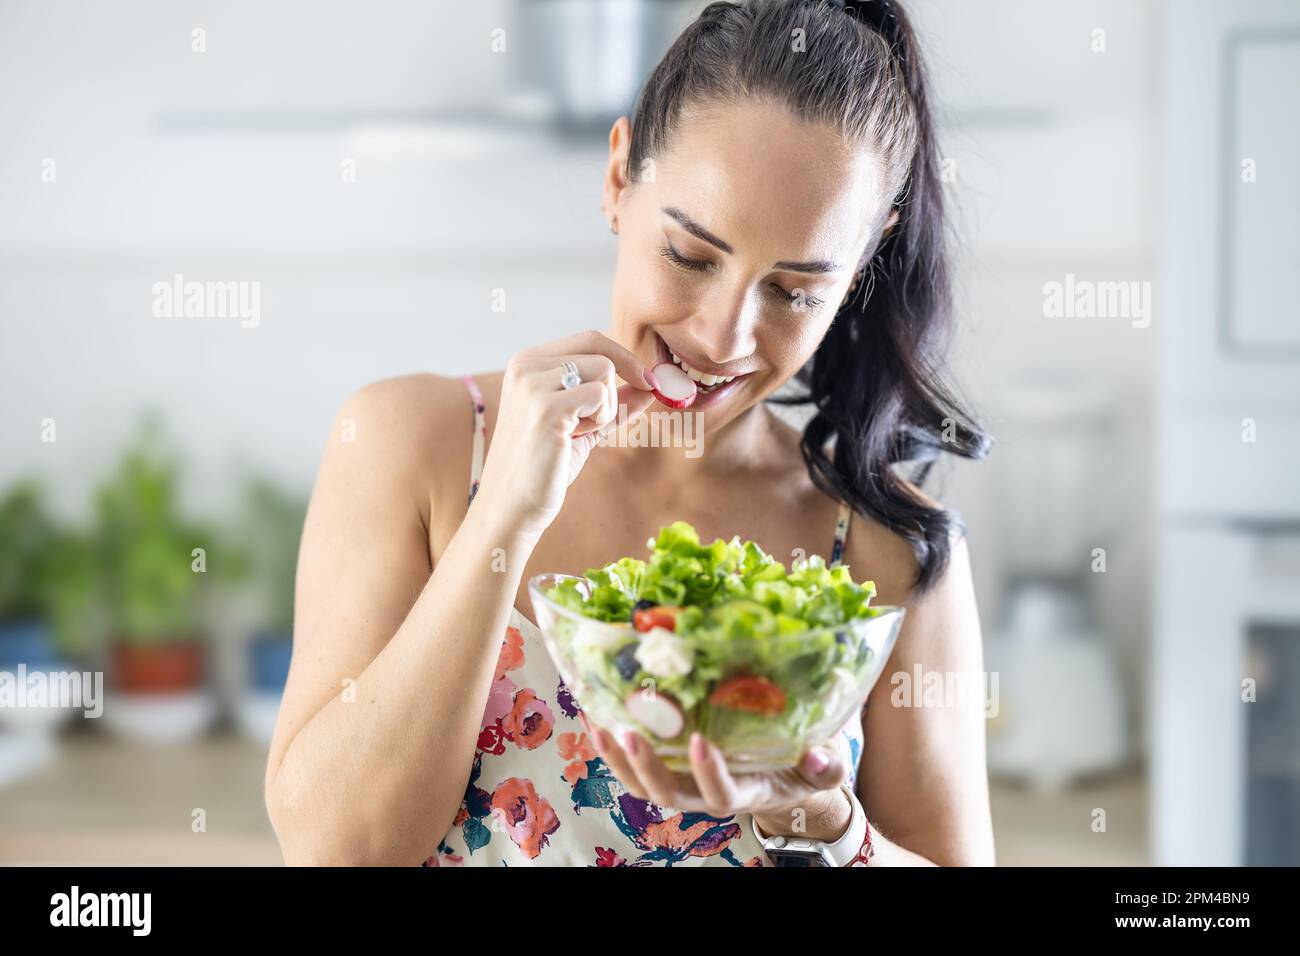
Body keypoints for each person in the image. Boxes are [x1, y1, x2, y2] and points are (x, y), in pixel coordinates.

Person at [266, 0, 996, 867]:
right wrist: (503, 515)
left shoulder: (886, 549)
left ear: (862, 264)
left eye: (794, 292)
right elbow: (335, 848)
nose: (723, 337)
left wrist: (824, 823)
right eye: (690, 256)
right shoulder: (408, 444)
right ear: (619, 178)